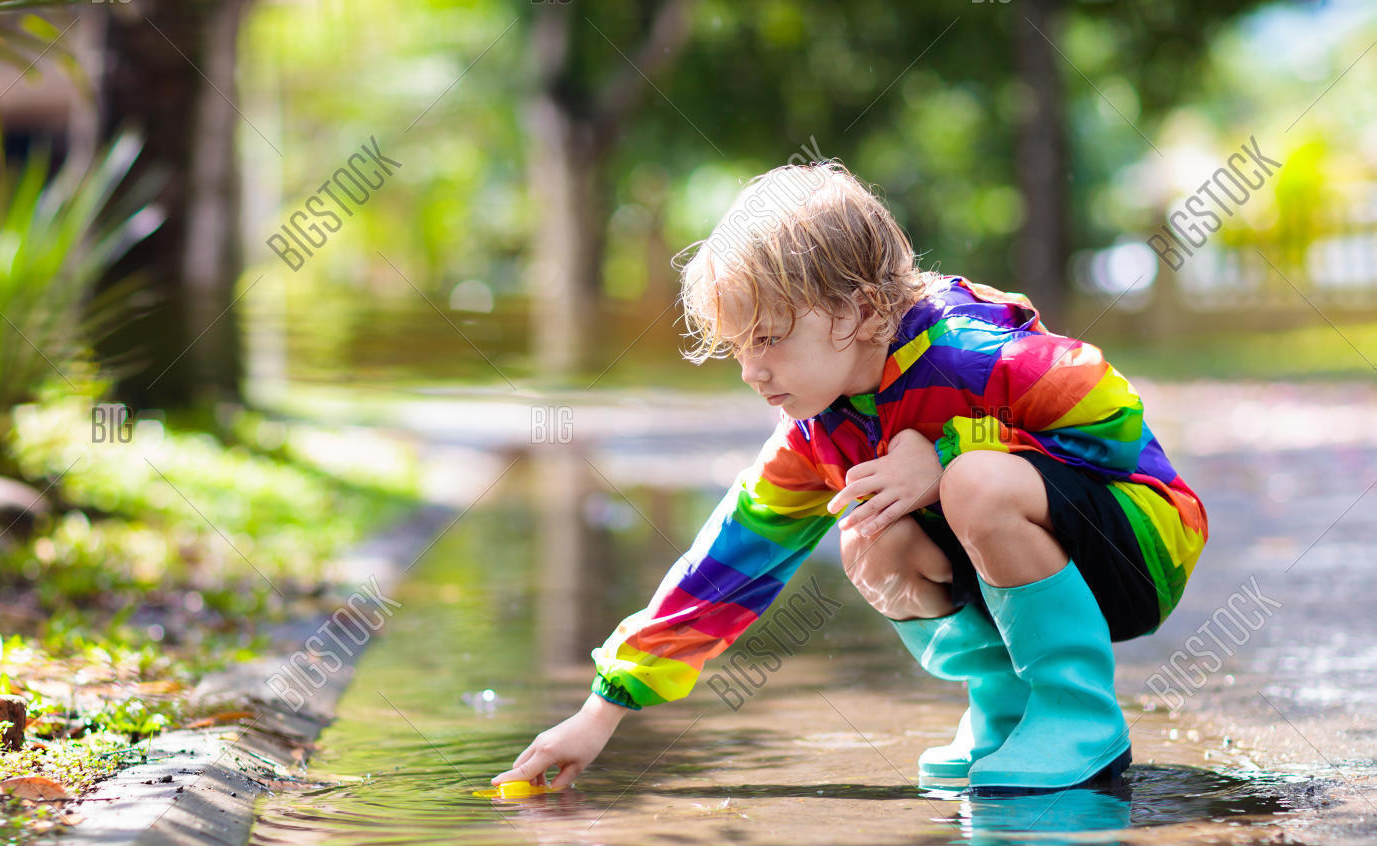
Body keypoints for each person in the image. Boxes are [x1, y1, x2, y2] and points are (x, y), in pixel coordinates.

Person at [493, 160, 1207, 795]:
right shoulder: (815, 433)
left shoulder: (972, 352)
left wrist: (948, 455)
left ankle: (1077, 714)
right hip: (1037, 564)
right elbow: (726, 566)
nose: (751, 370)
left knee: (974, 484)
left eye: (769, 338)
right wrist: (601, 713)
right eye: (740, 347)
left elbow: (1114, 424)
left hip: (1137, 549)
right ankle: (1005, 709)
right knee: (869, 536)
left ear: (861, 311)